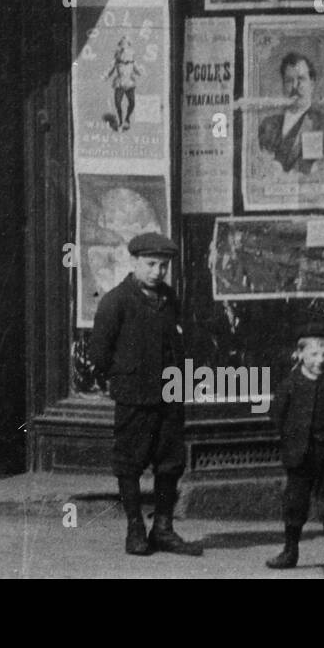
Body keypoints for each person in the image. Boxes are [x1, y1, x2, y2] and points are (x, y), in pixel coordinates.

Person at [89, 232, 201, 557]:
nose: (157, 272)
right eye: (151, 264)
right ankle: (135, 528)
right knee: (130, 463)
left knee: (170, 464)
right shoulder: (116, 301)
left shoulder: (170, 300)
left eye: (163, 266)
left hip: (170, 395)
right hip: (135, 397)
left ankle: (163, 529)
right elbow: (100, 355)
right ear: (134, 262)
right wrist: (128, 377)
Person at [266, 320, 324, 575]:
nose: (320, 360)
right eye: (314, 354)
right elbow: (277, 415)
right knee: (295, 501)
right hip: (300, 453)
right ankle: (290, 550)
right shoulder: (290, 384)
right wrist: (290, 437)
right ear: (299, 354)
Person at [257, 52, 324, 174]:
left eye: (301, 79)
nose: (295, 86)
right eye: (289, 81)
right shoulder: (267, 125)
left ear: (312, 83)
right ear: (283, 86)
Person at [104, 35, 143, 131]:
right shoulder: (117, 59)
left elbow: (138, 70)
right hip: (119, 83)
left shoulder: (132, 60)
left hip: (129, 83)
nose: (124, 47)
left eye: (125, 45)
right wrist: (105, 76)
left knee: (132, 103)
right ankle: (120, 119)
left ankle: (127, 118)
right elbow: (110, 69)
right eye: (122, 45)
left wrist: (141, 71)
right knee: (117, 103)